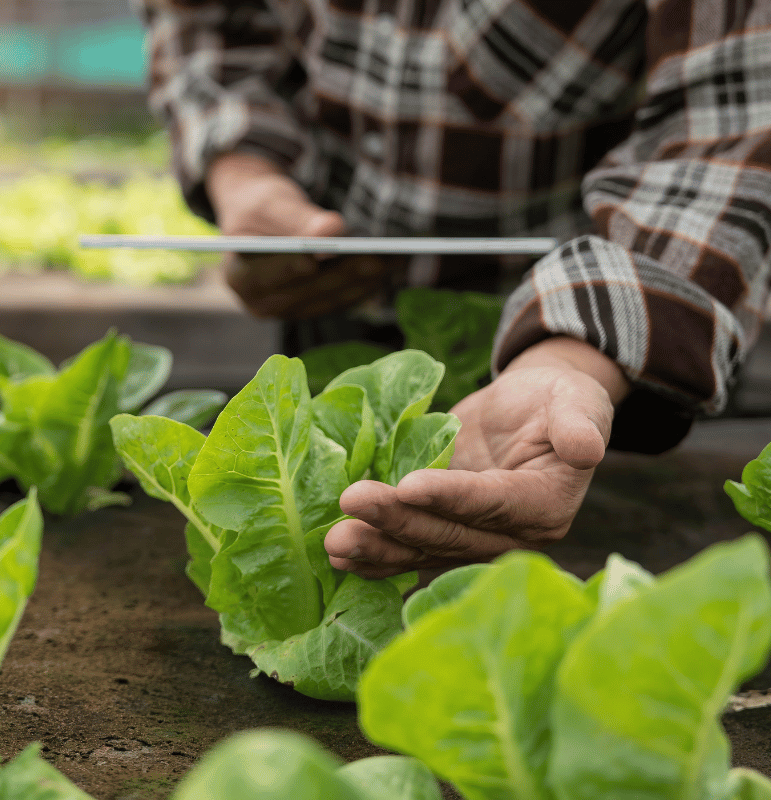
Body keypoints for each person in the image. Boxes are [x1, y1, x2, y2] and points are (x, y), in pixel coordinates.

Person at [137, 0, 771, 577]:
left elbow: (734, 131)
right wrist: (247, 177)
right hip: (329, 314)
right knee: (345, 526)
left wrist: (572, 359)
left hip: (592, 376)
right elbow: (207, 20)